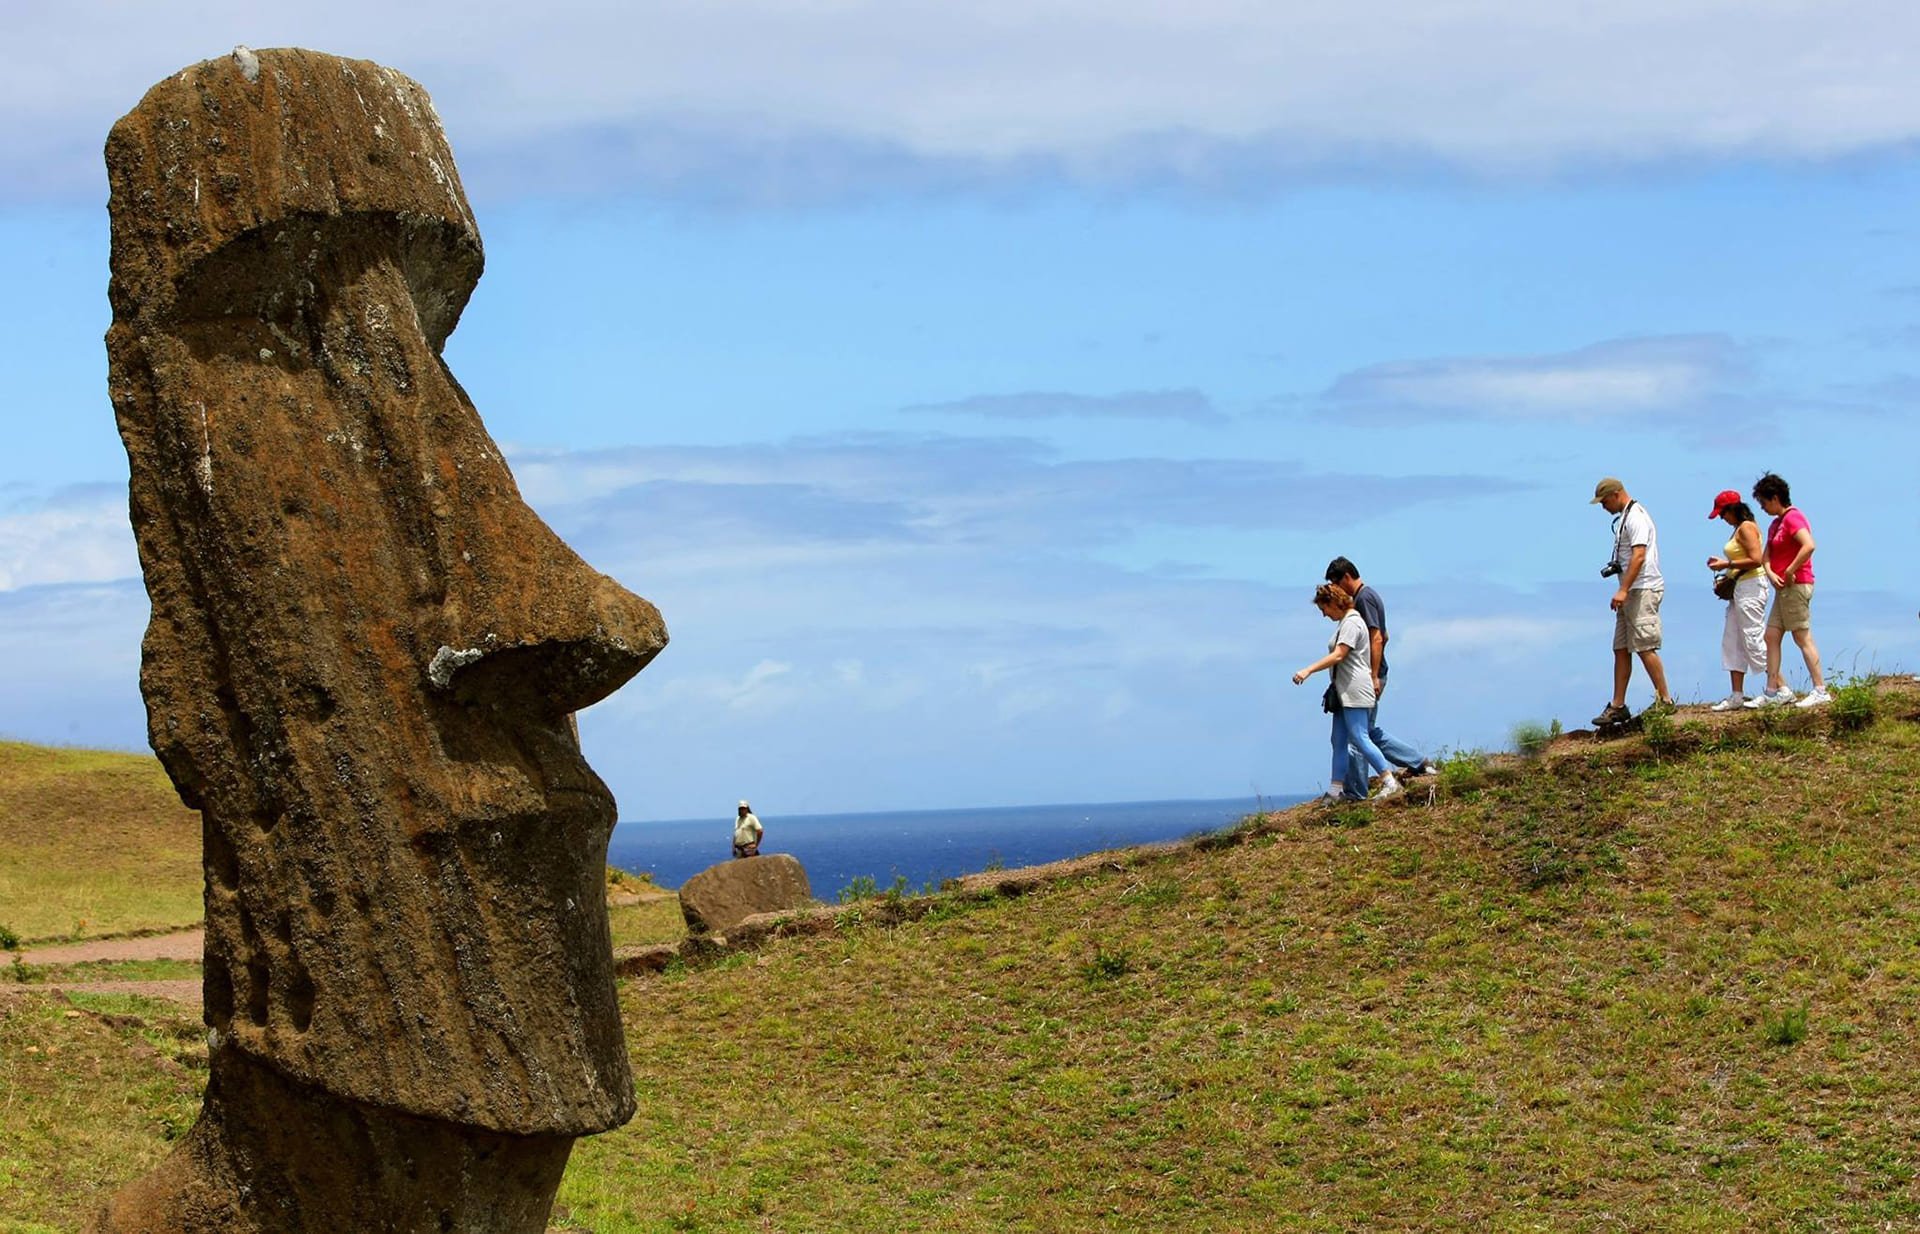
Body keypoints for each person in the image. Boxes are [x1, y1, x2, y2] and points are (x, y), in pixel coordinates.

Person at [1324, 557, 1432, 798]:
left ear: (1346, 578)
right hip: (1370, 672)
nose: (1336, 591)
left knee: (1359, 736)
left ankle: (1358, 791)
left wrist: (1373, 674)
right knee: (1366, 732)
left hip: (1368, 676)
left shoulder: (1363, 599)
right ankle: (1418, 762)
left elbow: (1377, 637)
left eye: (1336, 583)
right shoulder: (1367, 597)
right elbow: (1385, 635)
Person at [1293, 584, 1402, 802]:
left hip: (1355, 689)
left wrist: (1308, 670)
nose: (1324, 614)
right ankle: (1336, 789)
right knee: (1338, 739)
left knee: (1360, 737)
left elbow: (1339, 655)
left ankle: (1390, 781)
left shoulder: (1352, 622)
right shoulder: (1346, 623)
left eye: (1325, 609)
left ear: (1334, 603)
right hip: (1344, 691)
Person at [1590, 477, 1673, 726]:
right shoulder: (1625, 517)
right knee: (1621, 647)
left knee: (1645, 645)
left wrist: (1624, 589)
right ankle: (1618, 704)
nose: (1604, 507)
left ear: (1616, 494)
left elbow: (1639, 555)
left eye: (1605, 502)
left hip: (1642, 588)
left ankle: (1665, 699)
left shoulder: (1636, 516)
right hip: (1630, 589)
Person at [1744, 473, 1829, 708]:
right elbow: (1766, 555)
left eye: (1763, 502)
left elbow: (1808, 545)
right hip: (1782, 588)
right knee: (1771, 636)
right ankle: (1774, 692)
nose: (1762, 507)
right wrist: (1771, 573)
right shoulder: (1775, 524)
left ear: (1775, 498)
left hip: (1797, 584)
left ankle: (1820, 689)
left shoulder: (1793, 518)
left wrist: (1791, 570)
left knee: (1801, 635)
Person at [1705, 490, 1767, 710]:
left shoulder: (1747, 527)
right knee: (1732, 639)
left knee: (1753, 636)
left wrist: (1726, 565)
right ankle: (1737, 694)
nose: (1723, 518)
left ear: (1733, 509)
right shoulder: (1737, 530)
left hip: (1751, 586)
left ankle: (1778, 687)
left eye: (1723, 514)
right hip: (1741, 588)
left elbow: (1756, 559)